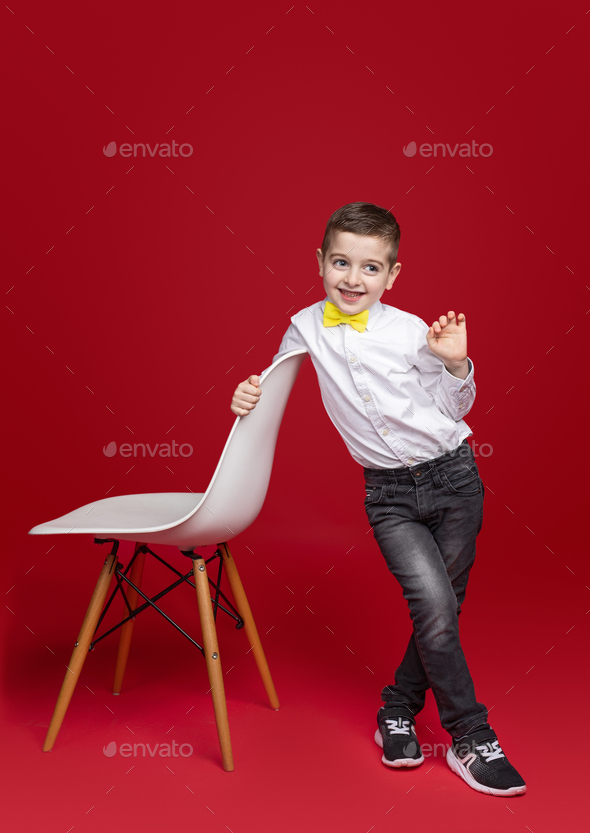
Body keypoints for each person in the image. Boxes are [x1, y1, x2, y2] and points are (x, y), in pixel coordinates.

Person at [229, 201, 526, 797]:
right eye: (341, 262)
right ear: (320, 263)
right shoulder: (305, 326)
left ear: (391, 276)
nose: (352, 279)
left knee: (441, 609)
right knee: (435, 608)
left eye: (370, 268)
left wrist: (457, 363)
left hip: (456, 481)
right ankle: (471, 734)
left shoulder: (414, 330)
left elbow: (455, 409)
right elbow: (274, 380)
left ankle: (397, 709)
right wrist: (246, 394)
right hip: (388, 496)